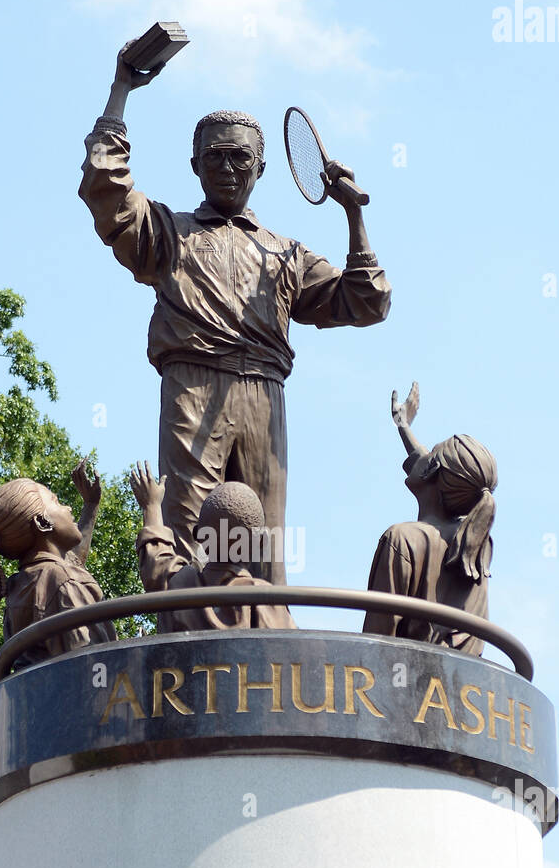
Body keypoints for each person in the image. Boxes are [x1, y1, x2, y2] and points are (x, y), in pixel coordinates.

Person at [79, 43, 391, 583]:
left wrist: (354, 217)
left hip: (264, 395)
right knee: (191, 536)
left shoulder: (286, 254)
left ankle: (269, 639)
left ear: (261, 168)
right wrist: (121, 88)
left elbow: (366, 302)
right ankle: (188, 639)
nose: (227, 167)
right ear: (195, 165)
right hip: (193, 385)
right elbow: (106, 189)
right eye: (215, 156)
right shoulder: (169, 233)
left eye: (239, 157)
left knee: (263, 543)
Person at [362, 384, 497, 657]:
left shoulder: (402, 540)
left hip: (403, 686)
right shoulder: (477, 543)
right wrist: (403, 426)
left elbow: (377, 643)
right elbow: (427, 465)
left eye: (432, 451)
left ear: (432, 471)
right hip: (452, 689)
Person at [0, 460, 115, 671]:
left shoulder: (24, 582)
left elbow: (71, 562)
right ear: (42, 523)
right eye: (57, 502)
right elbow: (95, 662)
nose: (68, 508)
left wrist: (91, 505)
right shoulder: (64, 582)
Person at [129, 460, 296, 634]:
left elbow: (156, 563)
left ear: (199, 536)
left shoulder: (182, 586)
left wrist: (151, 506)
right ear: (262, 543)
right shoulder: (267, 602)